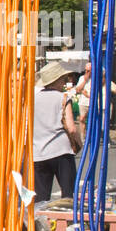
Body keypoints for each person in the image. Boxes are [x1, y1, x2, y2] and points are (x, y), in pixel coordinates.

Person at [32, 61, 80, 202]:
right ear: (58, 80)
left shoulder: (32, 99)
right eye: (64, 80)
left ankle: (40, 223)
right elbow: (71, 127)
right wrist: (78, 142)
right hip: (61, 150)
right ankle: (69, 222)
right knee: (68, 195)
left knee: (41, 198)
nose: (64, 83)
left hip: (38, 152)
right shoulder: (63, 98)